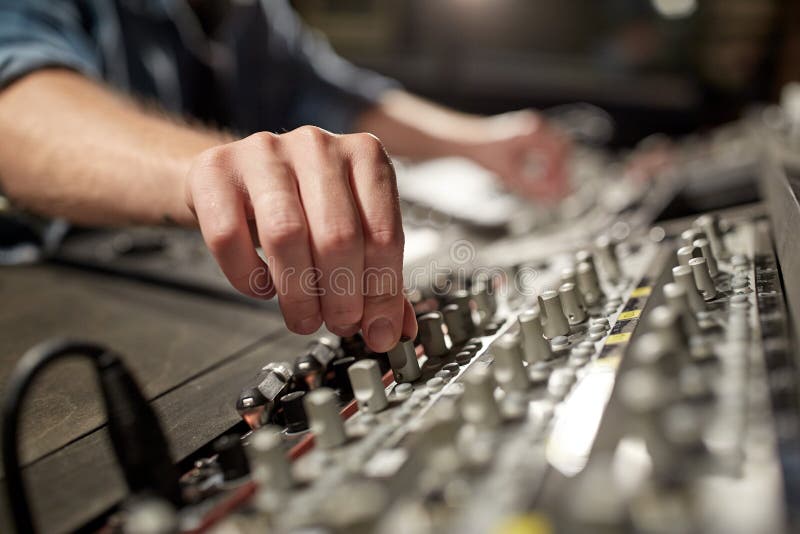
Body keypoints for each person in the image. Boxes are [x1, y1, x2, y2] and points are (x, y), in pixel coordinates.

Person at [0, 0, 568, 353]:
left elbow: (332, 91)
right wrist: (212, 172)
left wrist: (478, 141)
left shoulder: (252, 12)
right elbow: (16, 112)